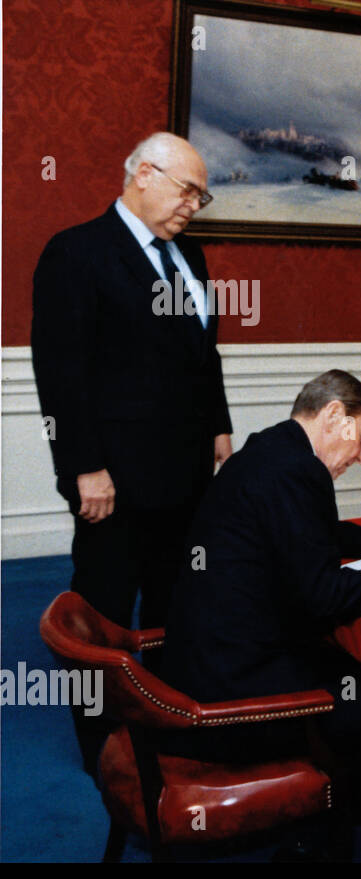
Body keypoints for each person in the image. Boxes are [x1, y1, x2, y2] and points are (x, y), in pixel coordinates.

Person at [158, 370, 361, 844]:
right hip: (231, 696)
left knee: (360, 676)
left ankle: (349, 810)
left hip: (205, 660)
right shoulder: (297, 470)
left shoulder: (272, 450)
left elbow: (315, 531)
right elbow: (322, 598)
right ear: (334, 414)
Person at [31, 131, 233, 632]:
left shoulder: (192, 255)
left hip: (185, 475)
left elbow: (203, 354)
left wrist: (219, 426)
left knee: (179, 602)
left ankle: (168, 706)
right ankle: (101, 712)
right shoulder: (76, 252)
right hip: (113, 481)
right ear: (145, 175)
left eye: (200, 197)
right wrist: (84, 468)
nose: (194, 206)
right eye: (187, 191)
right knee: (104, 611)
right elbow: (59, 373)